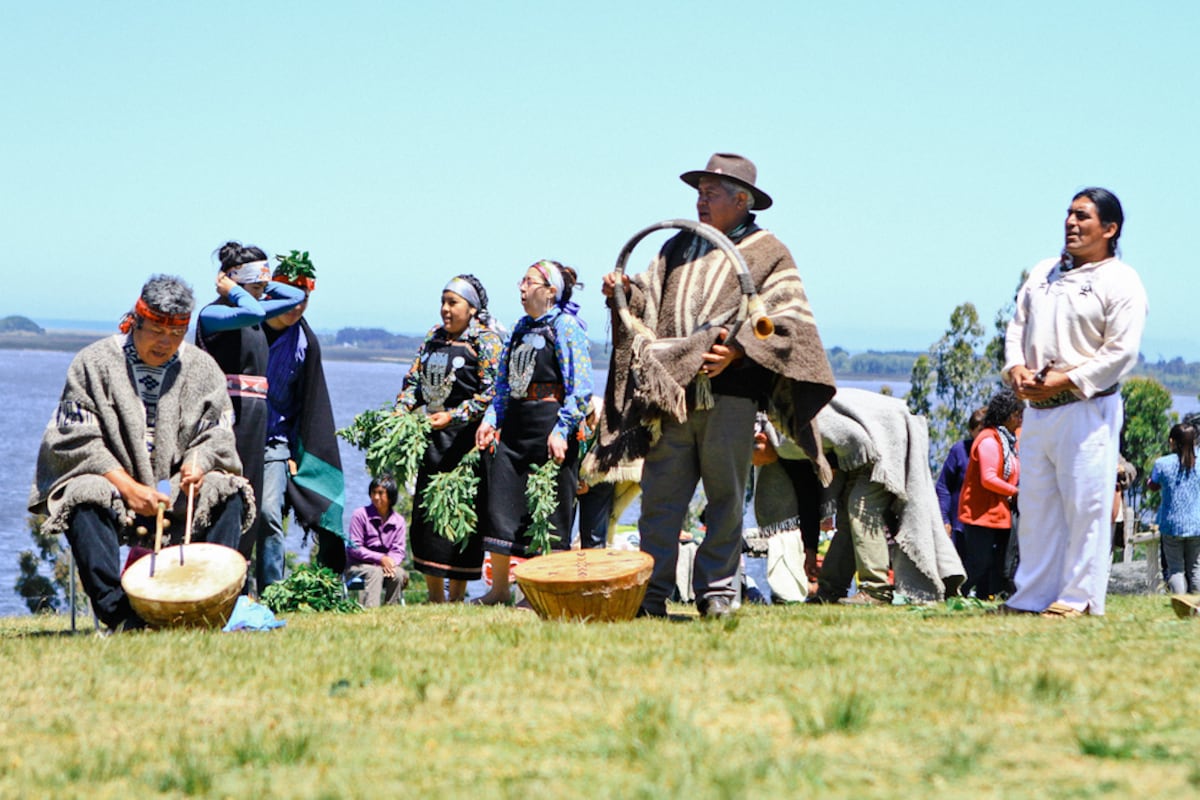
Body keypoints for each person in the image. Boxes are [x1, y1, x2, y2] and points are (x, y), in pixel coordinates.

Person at [597, 153, 837, 619]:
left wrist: (740, 350)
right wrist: (623, 290)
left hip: (733, 398)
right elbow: (649, 297)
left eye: (711, 193)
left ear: (742, 200)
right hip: (674, 396)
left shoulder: (769, 252)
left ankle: (718, 594)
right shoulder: (678, 246)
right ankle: (650, 597)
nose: (700, 201)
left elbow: (787, 320)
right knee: (661, 500)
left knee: (725, 498)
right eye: (699, 193)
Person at [29, 275, 253, 631]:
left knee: (228, 491)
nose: (166, 342)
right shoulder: (94, 362)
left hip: (178, 491)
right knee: (83, 493)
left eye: (176, 333)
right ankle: (121, 615)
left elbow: (217, 433)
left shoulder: (202, 368)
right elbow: (75, 438)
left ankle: (206, 606)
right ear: (137, 318)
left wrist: (199, 462)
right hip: (113, 488)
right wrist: (129, 488)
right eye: (156, 330)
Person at [1003, 187, 1148, 617]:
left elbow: (1121, 352)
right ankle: (1030, 598)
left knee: (1086, 508)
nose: (1071, 222)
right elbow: (1017, 325)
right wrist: (1016, 369)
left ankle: (1078, 599)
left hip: (1088, 410)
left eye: (1082, 216)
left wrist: (1067, 379)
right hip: (1037, 411)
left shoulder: (1121, 280)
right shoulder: (1044, 272)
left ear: (1109, 228)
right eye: (1068, 214)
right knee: (1036, 509)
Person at [474, 260, 592, 605]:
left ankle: (538, 593)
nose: (521, 288)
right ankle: (498, 591)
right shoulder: (519, 328)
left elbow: (581, 388)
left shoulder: (566, 327)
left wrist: (562, 429)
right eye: (522, 281)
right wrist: (490, 420)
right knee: (501, 506)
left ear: (550, 291)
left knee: (548, 512)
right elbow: (502, 385)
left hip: (549, 427)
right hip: (514, 428)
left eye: (529, 282)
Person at [196, 242, 306, 568]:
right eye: (254, 282)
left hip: (256, 417)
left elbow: (295, 298)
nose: (261, 290)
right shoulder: (214, 314)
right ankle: (218, 567)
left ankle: (241, 579)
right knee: (228, 490)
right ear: (232, 281)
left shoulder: (253, 311)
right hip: (227, 417)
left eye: (263, 283)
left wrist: (260, 283)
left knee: (252, 497)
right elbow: (254, 311)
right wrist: (234, 288)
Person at [807, 388, 966, 605]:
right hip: (859, 452)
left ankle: (875, 590)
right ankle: (830, 589)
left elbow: (846, 440)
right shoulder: (793, 426)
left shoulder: (797, 426)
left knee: (861, 507)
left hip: (884, 446)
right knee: (847, 517)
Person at [398, 274, 502, 603]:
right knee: (427, 516)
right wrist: (402, 408)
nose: (445, 309)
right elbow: (413, 380)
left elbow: (493, 395)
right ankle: (434, 597)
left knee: (459, 518)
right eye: (443, 302)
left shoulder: (485, 341)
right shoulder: (433, 338)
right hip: (432, 438)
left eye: (452, 302)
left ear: (472, 309)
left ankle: (456, 596)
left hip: (465, 444)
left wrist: (455, 417)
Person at [257, 252, 347, 591]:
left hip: (275, 442)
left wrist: (299, 451)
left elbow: (307, 405)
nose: (298, 305)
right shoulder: (246, 329)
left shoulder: (305, 344)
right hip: (234, 439)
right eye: (291, 294)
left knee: (268, 514)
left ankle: (270, 591)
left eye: (305, 297)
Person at [957, 388, 1022, 599]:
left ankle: (988, 597)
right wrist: (1016, 491)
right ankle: (956, 594)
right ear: (1008, 415)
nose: (1021, 418)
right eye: (1018, 414)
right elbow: (989, 478)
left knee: (998, 562)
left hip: (998, 512)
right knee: (978, 562)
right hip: (980, 513)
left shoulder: (1008, 441)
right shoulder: (988, 440)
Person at [1148, 424, 1200, 595]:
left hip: (1171, 525)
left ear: (1172, 441)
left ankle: (1181, 602)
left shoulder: (1163, 463)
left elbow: (1153, 485)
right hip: (1196, 524)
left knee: (1176, 569)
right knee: (1195, 569)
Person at [345, 475, 409, 607]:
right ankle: (371, 611)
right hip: (358, 566)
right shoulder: (360, 515)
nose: (376, 497)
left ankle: (391, 611)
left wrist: (390, 564)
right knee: (375, 572)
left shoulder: (398, 521)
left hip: (386, 567)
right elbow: (354, 547)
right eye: (373, 493)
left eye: (381, 493)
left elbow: (398, 550)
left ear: (391, 496)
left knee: (398, 574)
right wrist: (380, 559)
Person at [935, 407, 987, 550]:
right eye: (980, 431)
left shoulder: (1001, 453)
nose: (985, 436)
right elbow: (943, 486)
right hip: (960, 527)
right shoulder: (960, 450)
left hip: (987, 527)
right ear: (971, 431)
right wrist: (945, 520)